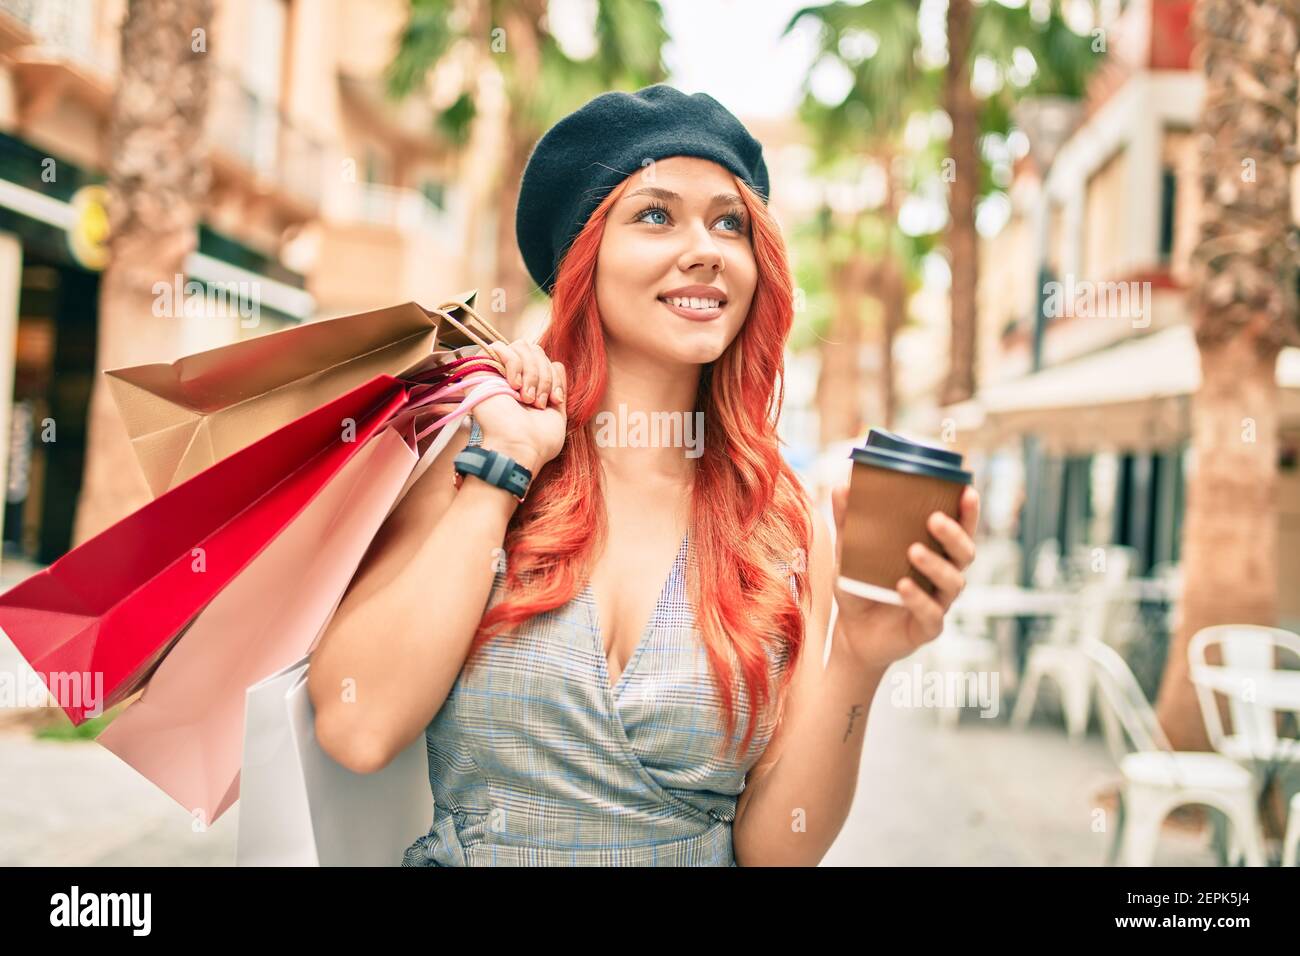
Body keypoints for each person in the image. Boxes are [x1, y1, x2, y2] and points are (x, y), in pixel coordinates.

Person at [308, 84, 980, 866]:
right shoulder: (476, 460)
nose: (706, 248)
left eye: (729, 222)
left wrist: (860, 659)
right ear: (581, 263)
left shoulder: (782, 522)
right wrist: (506, 468)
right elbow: (357, 728)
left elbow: (777, 851)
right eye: (656, 214)